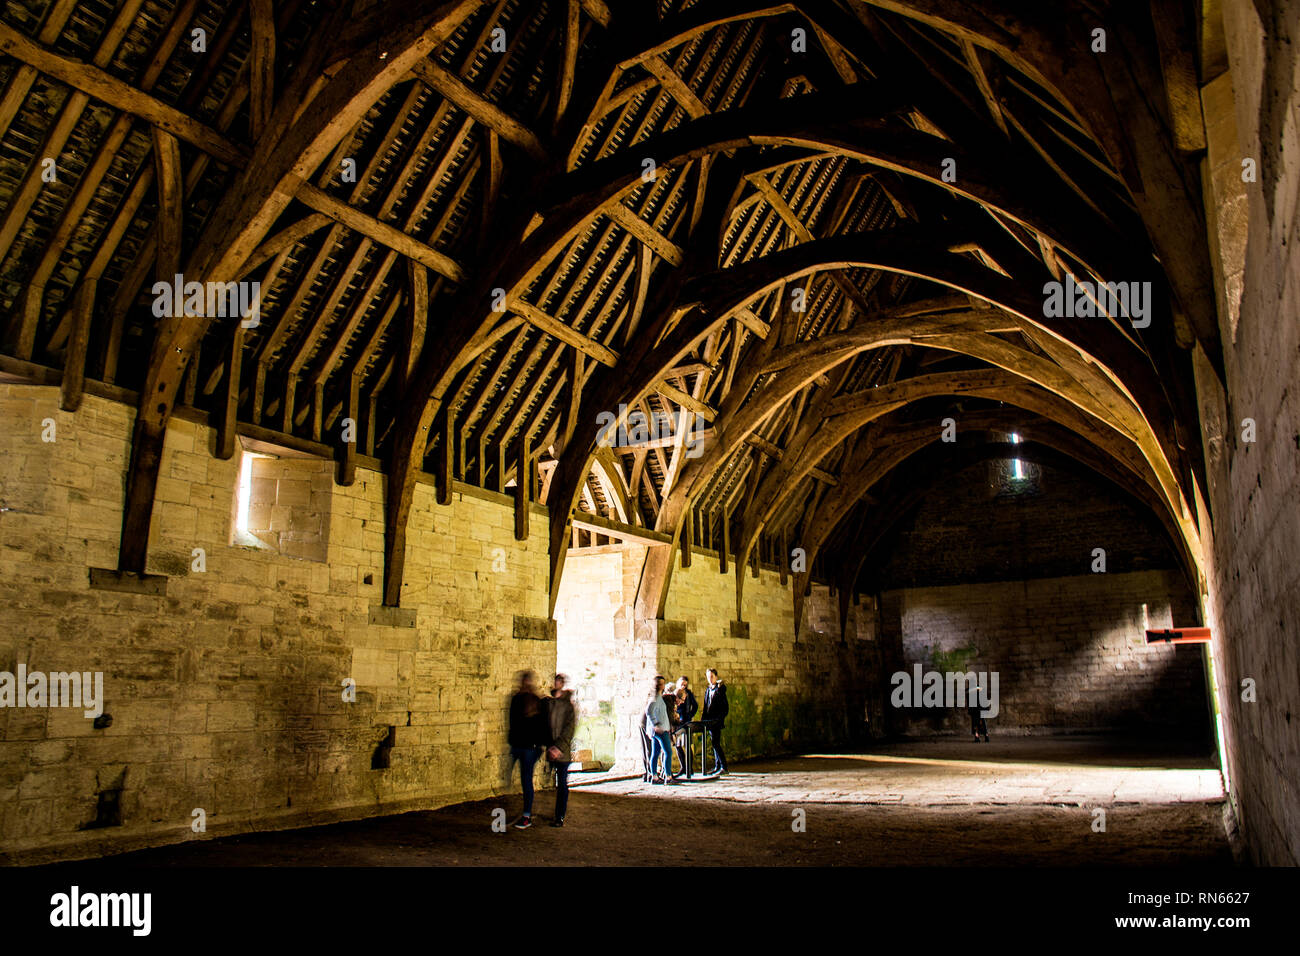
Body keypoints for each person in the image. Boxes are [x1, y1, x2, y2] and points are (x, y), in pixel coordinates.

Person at [508, 670, 547, 829]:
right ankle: (524, 813)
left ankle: (526, 815)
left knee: (526, 779)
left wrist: (537, 745)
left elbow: (540, 726)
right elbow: (512, 722)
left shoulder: (533, 701)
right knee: (520, 779)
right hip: (522, 746)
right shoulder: (518, 700)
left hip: (528, 747)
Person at [544, 674, 577, 827]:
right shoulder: (549, 703)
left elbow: (569, 730)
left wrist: (558, 748)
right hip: (551, 750)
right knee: (550, 783)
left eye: (558, 681)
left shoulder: (568, 706)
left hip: (561, 752)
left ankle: (560, 816)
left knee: (562, 784)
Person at [644, 676, 676, 784]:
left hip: (659, 729)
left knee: (656, 752)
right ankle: (668, 776)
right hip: (660, 730)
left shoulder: (658, 697)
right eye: (662, 683)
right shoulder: (655, 698)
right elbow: (649, 711)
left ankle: (654, 776)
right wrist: (656, 724)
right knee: (668, 752)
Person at [701, 667, 729, 774]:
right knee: (714, 744)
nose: (710, 679)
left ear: (716, 677)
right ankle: (718, 766)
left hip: (716, 721)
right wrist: (703, 720)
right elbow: (706, 705)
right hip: (709, 721)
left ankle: (724, 766)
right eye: (708, 677)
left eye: (712, 676)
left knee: (716, 743)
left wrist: (719, 719)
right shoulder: (708, 690)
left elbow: (725, 707)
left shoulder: (720, 690)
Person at [673, 676, 697, 777]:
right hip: (678, 722)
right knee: (678, 745)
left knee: (687, 745)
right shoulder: (674, 694)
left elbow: (695, 706)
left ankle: (689, 768)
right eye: (682, 684)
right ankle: (683, 767)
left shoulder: (689, 694)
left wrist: (690, 715)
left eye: (685, 684)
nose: (683, 686)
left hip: (686, 721)